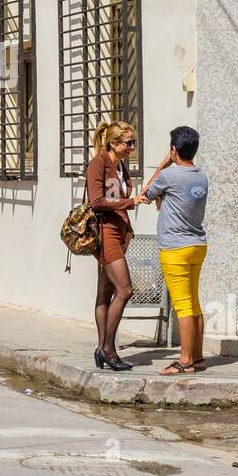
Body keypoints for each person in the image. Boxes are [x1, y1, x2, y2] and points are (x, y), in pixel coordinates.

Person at [139, 126, 209, 374]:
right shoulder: (201, 176)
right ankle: (198, 357)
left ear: (174, 149)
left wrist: (165, 161)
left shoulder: (169, 175)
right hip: (197, 245)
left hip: (174, 247)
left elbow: (146, 192)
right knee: (194, 303)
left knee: (183, 305)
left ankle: (186, 360)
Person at [86, 120, 140, 371]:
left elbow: (119, 197)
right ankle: (107, 348)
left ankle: (101, 348)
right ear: (113, 143)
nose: (132, 147)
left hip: (119, 232)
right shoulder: (99, 163)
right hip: (105, 232)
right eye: (128, 143)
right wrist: (129, 203)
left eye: (134, 143)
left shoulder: (120, 167)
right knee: (125, 290)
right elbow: (96, 201)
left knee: (105, 293)